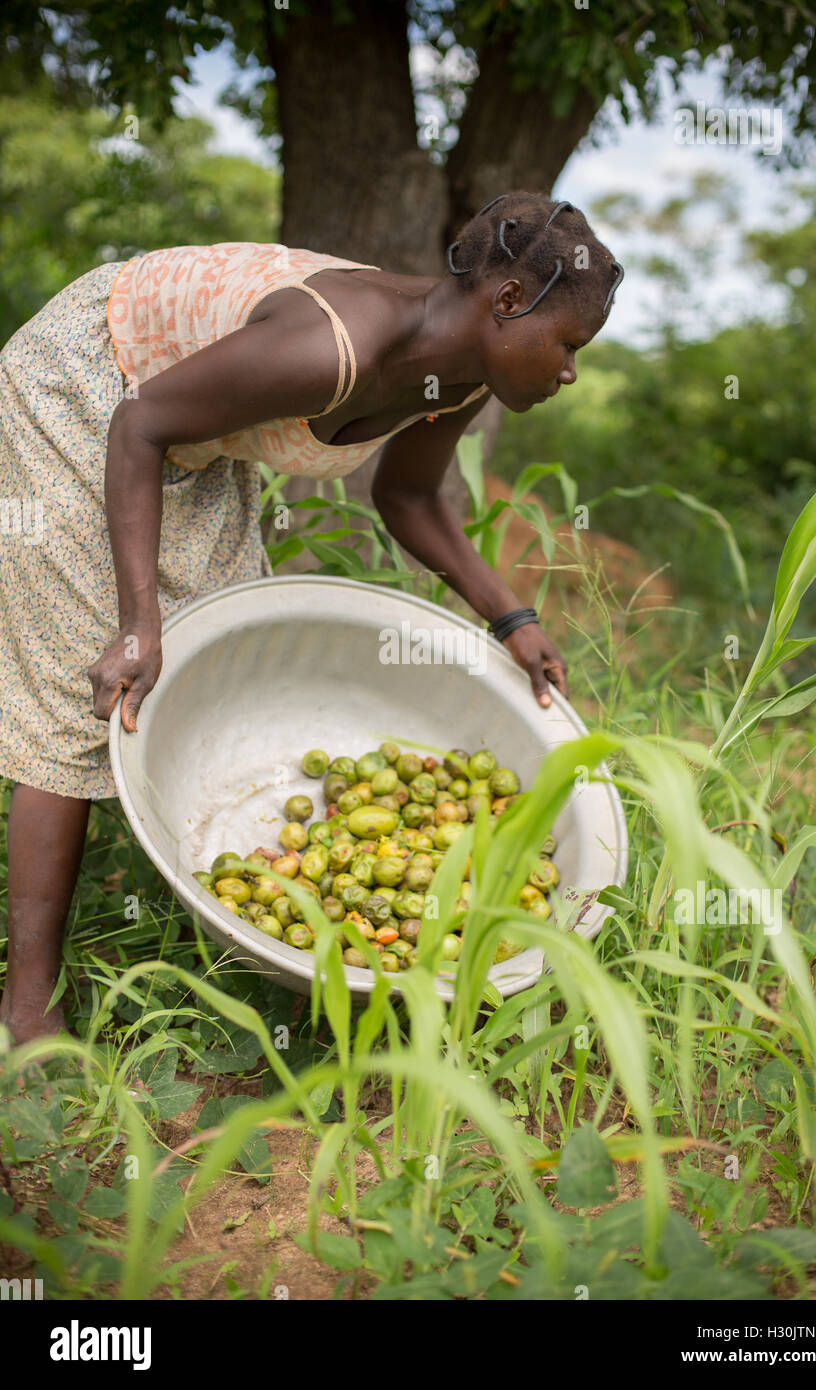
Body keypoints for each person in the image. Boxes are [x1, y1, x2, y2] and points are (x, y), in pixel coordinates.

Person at [0, 188, 623, 1043]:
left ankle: (188, 889)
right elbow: (138, 424)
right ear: (509, 301)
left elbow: (409, 495)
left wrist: (510, 616)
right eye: (569, 344)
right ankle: (29, 1002)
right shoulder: (334, 348)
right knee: (93, 675)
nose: (569, 371)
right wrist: (136, 618)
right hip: (88, 389)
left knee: (213, 644)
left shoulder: (458, 373)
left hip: (193, 434)